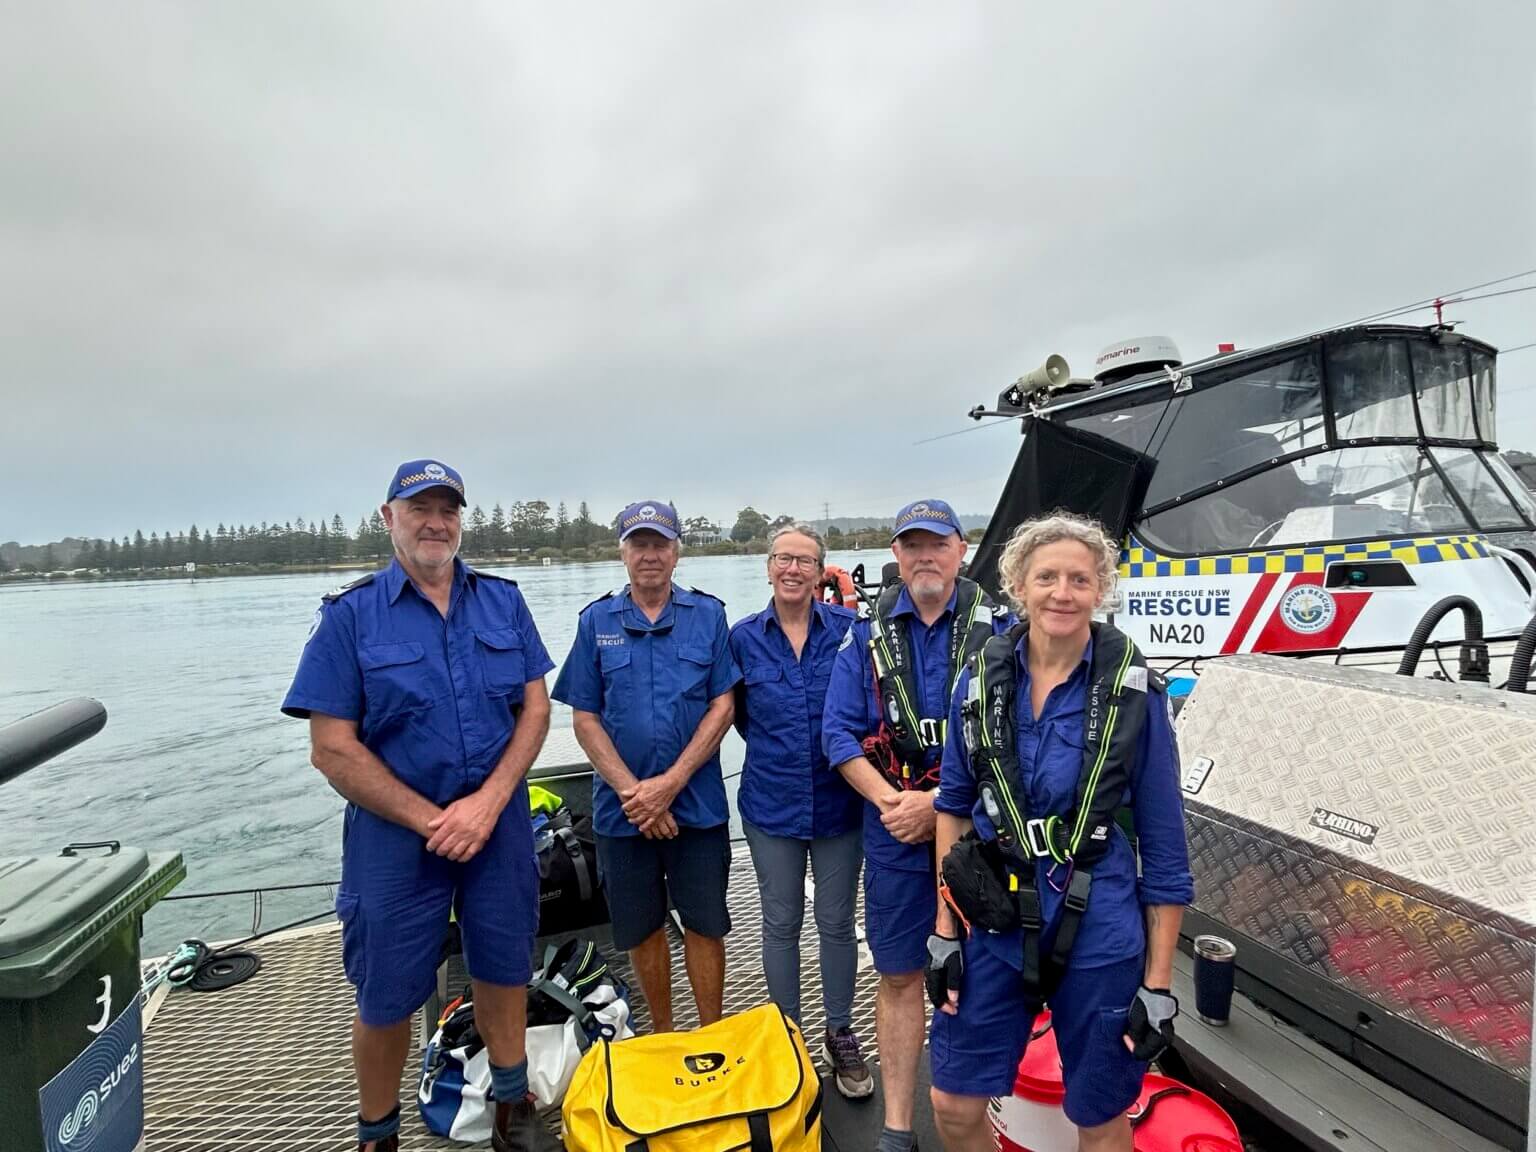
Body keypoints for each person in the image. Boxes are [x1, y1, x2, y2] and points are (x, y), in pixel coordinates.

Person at [281, 460, 559, 1152]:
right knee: (386, 993)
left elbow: (534, 710)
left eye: (448, 510)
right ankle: (378, 1133)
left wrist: (489, 803)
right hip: (395, 836)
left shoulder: (502, 602)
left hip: (496, 825)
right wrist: (435, 820)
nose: (436, 523)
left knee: (503, 966)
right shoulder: (350, 618)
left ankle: (509, 1105)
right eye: (420, 509)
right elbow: (332, 748)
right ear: (388, 517)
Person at [925, 513, 1194, 1152]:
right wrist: (944, 934)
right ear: (1019, 585)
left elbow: (1164, 845)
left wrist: (1157, 986)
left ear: (1101, 590)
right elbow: (954, 807)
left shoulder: (1137, 698)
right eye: (1047, 577)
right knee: (953, 1101)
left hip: (1100, 933)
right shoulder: (975, 687)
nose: (1062, 593)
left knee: (1099, 1115)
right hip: (991, 928)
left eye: (1080, 578)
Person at [822, 499, 1012, 1152]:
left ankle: (989, 1117)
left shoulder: (1005, 631)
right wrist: (890, 803)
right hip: (896, 834)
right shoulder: (864, 634)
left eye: (938, 543)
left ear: (962, 550)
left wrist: (941, 807)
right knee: (900, 975)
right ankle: (897, 1128)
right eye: (912, 545)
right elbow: (837, 733)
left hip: (985, 839)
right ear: (896, 556)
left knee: (987, 975)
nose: (924, 556)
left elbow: (1023, 737)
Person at [552, 500, 739, 1032]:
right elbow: (584, 717)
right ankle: (662, 1034)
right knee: (641, 928)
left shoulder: (708, 616)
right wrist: (639, 794)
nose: (650, 555)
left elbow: (722, 705)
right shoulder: (596, 622)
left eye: (660, 543)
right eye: (639, 544)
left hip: (696, 807)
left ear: (677, 551)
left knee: (705, 924)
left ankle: (711, 1033)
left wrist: (671, 784)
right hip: (623, 812)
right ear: (623, 552)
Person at [730, 523, 872, 1099]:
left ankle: (839, 1031)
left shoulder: (850, 633)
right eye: (782, 558)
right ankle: (786, 1035)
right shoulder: (741, 638)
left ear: (821, 572)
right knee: (781, 921)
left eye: (805, 561)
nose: (792, 569)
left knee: (837, 922)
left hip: (841, 804)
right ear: (768, 567)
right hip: (771, 804)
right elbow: (736, 716)